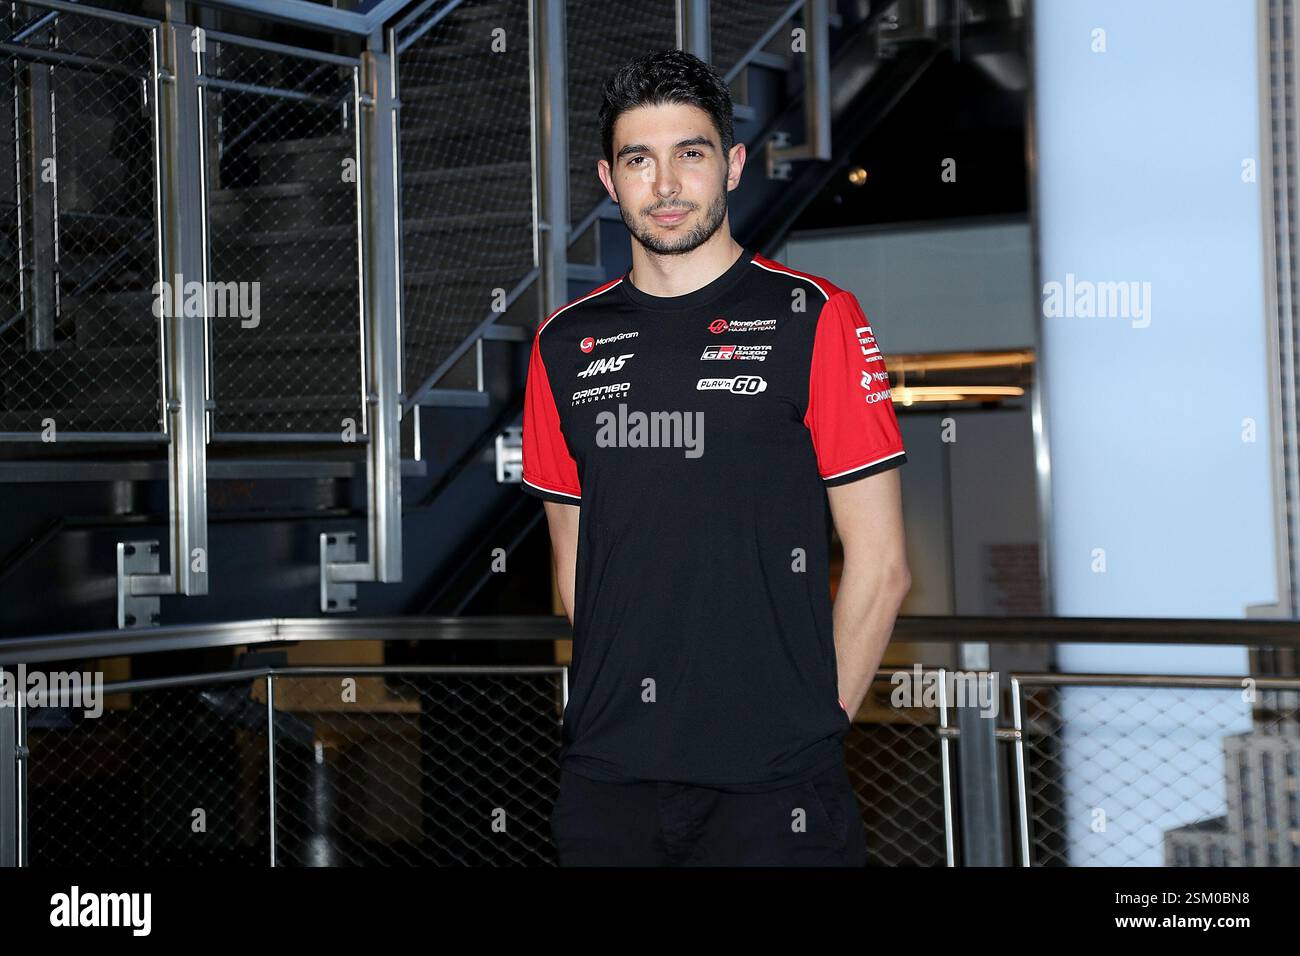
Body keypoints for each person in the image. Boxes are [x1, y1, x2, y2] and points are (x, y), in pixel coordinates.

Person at [521, 49, 910, 866]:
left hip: (775, 788)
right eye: (639, 160)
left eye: (689, 154)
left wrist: (814, 723)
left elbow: (882, 566)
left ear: (731, 165)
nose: (665, 184)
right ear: (608, 178)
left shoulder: (816, 316)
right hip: (609, 778)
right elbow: (573, 570)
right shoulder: (561, 344)